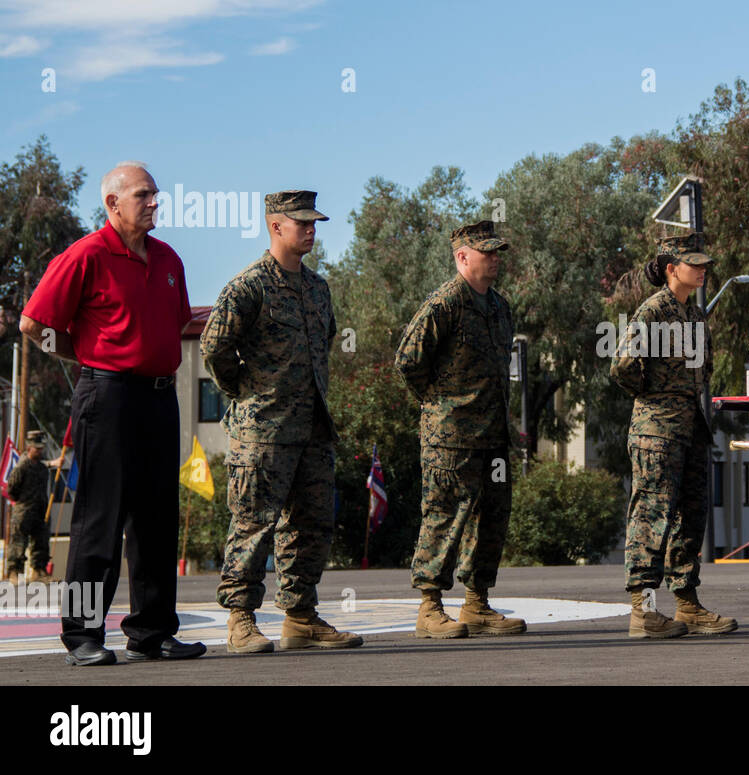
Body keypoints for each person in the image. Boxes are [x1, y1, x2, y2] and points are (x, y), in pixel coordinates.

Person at [19, 161, 205, 666]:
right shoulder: (86, 254)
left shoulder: (168, 259)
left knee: (156, 519)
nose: (153, 202)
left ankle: (151, 631)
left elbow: (176, 324)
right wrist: (86, 358)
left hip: (160, 397)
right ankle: (82, 636)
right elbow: (33, 322)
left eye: (155, 195)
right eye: (143, 194)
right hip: (107, 395)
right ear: (112, 203)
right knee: (99, 520)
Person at [200, 190, 362, 653]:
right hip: (263, 431)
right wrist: (246, 395)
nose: (311, 230)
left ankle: (301, 616)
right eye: (302, 223)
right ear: (276, 226)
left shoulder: (318, 289)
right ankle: (240, 618)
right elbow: (215, 349)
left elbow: (323, 346)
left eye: (315, 223)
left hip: (311, 428)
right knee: (254, 524)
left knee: (311, 525)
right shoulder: (248, 287)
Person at [395, 220, 526, 638]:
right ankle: (430, 607)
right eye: (486, 252)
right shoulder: (444, 304)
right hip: (451, 438)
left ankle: (476, 604)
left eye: (496, 251)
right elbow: (408, 361)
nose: (494, 259)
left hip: (493, 434)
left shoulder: (500, 308)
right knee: (444, 517)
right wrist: (440, 405)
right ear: (461, 256)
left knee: (491, 518)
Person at [611, 232, 737, 638]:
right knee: (651, 517)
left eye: (704, 264)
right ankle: (643, 611)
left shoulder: (695, 316)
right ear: (671, 268)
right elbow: (622, 366)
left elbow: (706, 368)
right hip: (657, 430)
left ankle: (687, 604)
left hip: (690, 427)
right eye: (694, 263)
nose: (702, 270)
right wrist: (653, 394)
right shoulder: (652, 312)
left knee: (690, 515)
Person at [5, 431, 54, 584]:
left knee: (41, 542)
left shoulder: (41, 467)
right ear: (29, 448)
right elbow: (11, 489)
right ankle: (15, 573)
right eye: (36, 448)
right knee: (18, 544)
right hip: (24, 511)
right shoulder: (22, 466)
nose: (40, 451)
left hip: (40, 510)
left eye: (41, 448)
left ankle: (39, 572)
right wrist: (22, 504)